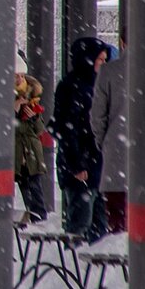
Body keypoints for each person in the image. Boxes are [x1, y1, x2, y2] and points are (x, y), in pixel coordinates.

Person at [50, 36, 109, 242]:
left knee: (98, 224)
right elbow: (68, 129)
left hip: (94, 165)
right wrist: (76, 164)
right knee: (81, 224)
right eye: (100, 60)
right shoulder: (74, 87)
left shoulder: (95, 86)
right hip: (81, 166)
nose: (103, 65)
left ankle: (87, 270)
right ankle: (74, 268)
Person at [91, 29, 128, 234]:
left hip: (117, 161)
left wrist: (105, 142)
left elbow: (97, 116)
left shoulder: (109, 72)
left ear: (122, 42)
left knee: (118, 226)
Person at [14, 54, 48, 223]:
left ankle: (38, 220)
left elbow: (40, 130)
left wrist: (34, 116)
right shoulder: (8, 98)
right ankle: (34, 219)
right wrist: (14, 110)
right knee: (26, 187)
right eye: (16, 76)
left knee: (34, 189)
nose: (19, 79)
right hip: (17, 152)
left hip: (31, 152)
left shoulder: (32, 96)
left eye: (21, 75)